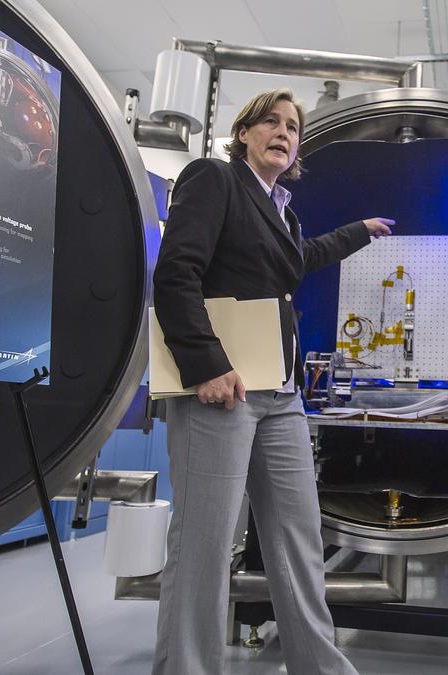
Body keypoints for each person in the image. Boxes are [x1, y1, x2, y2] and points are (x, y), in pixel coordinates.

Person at [152, 88, 393, 675]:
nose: (283, 132)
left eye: (293, 126)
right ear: (243, 133)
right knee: (205, 546)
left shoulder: (281, 208)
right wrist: (205, 364)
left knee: (298, 540)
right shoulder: (213, 179)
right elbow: (175, 273)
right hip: (222, 390)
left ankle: (320, 667)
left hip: (281, 394)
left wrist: (358, 231)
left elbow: (297, 258)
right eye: (271, 122)